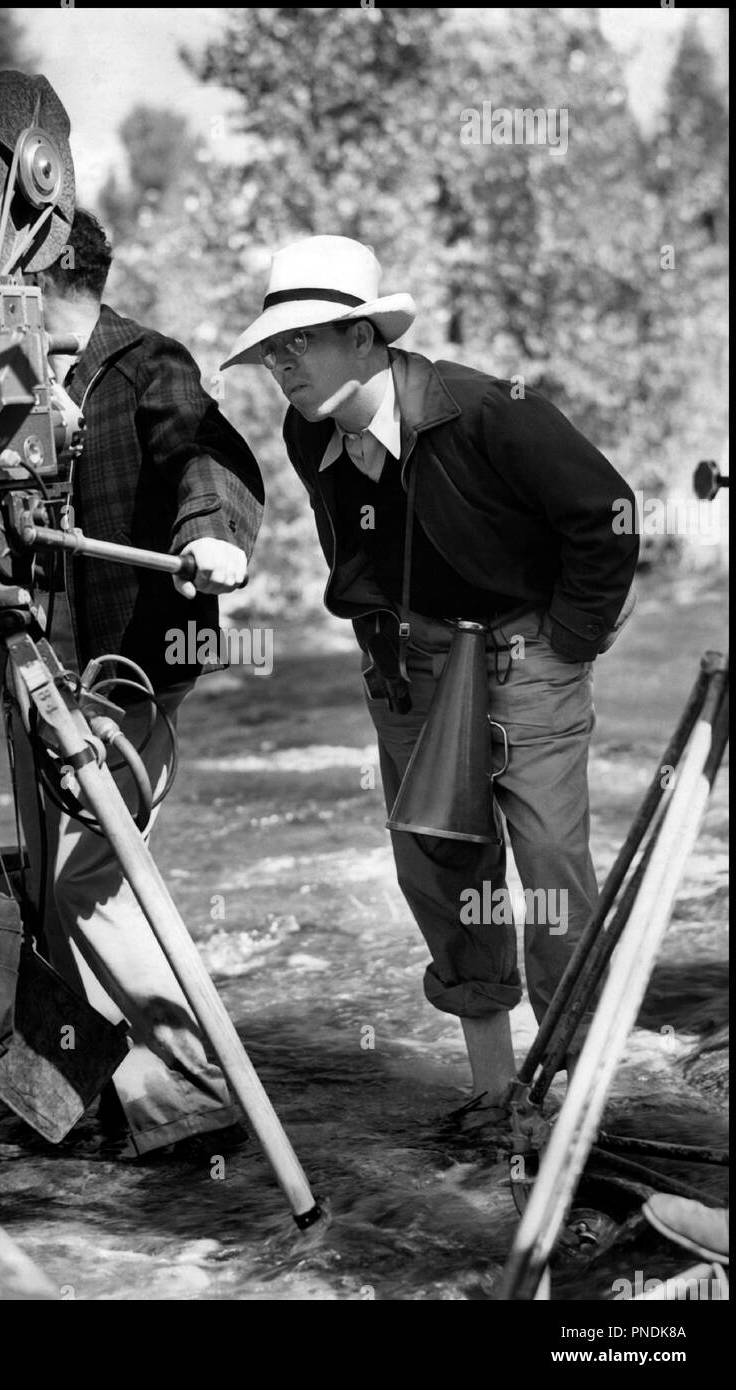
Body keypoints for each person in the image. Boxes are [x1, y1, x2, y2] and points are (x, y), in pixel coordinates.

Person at [221, 235, 639, 1134]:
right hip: (410, 671)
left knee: (551, 867)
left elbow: (610, 518)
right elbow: (360, 553)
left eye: (302, 342)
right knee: (441, 870)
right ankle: (493, 1093)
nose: (280, 363)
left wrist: (571, 641)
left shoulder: (493, 412)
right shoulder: (308, 429)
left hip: (529, 657)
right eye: (272, 348)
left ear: (367, 340)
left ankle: (573, 1094)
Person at [18, 208, 265, 1158]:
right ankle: (116, 1104)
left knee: (86, 885)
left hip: (125, 675)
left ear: (42, 273)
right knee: (59, 886)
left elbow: (212, 453)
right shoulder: (10, 367)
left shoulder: (148, 362)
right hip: (40, 671)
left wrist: (211, 533)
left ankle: (197, 1101)